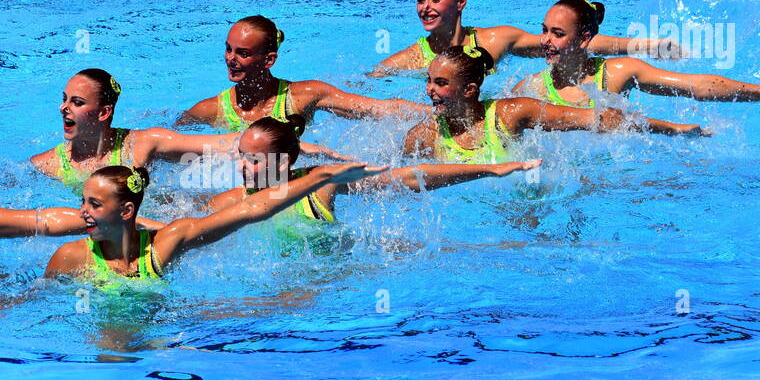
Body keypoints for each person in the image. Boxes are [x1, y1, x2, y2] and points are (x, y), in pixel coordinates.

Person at [43, 162, 388, 280]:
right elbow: (37, 300)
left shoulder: (166, 243)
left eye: (95, 204)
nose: (83, 212)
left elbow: (251, 210)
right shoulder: (72, 257)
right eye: (83, 202)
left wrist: (323, 176)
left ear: (126, 212)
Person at [30, 68, 347, 195]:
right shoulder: (46, 166)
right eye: (64, 100)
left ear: (103, 113)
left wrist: (292, 146)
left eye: (76, 102)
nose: (63, 108)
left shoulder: (141, 144)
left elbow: (225, 143)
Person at [405, 47, 708, 163]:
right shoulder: (424, 136)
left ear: (470, 89)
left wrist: (673, 129)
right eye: (429, 81)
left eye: (441, 83)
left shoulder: (511, 113)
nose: (430, 90)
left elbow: (599, 119)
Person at [509, 0, 760, 110]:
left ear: (585, 38)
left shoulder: (617, 74)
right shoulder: (532, 88)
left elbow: (696, 86)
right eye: (545, 30)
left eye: (557, 34)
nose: (545, 40)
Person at [205, 115, 540, 220]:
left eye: (253, 158)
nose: (243, 165)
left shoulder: (318, 185)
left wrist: (492, 170)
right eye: (242, 154)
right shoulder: (230, 201)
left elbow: (410, 177)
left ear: (286, 161)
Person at [373, 0, 680, 74]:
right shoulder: (410, 60)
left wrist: (649, 46)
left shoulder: (496, 40)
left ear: (461, 3)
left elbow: (568, 45)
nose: (425, 7)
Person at [175, 16, 430, 131]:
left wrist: (439, 113)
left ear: (268, 60)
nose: (231, 59)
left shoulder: (301, 96)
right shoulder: (210, 110)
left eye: (243, 53)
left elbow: (379, 109)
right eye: (229, 49)